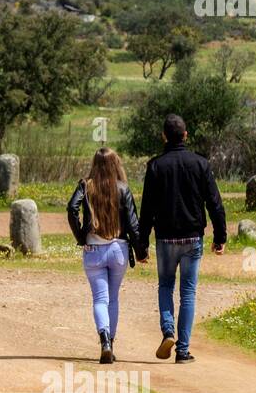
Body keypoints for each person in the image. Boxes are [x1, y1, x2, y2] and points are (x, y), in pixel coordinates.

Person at [137, 113, 227, 364]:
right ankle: (183, 350)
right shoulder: (200, 164)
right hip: (192, 238)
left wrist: (141, 244)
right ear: (186, 135)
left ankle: (168, 331)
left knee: (165, 286)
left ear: (163, 136)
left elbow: (147, 209)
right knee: (188, 292)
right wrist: (220, 236)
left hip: (165, 238)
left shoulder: (155, 166)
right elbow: (215, 204)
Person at [67, 148, 147, 364]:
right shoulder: (122, 188)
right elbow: (133, 224)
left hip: (94, 250)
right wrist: (141, 252)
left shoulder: (86, 185)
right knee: (113, 298)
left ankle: (104, 341)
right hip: (118, 250)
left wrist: (82, 236)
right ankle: (111, 341)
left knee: (100, 299)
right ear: (116, 164)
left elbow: (71, 208)